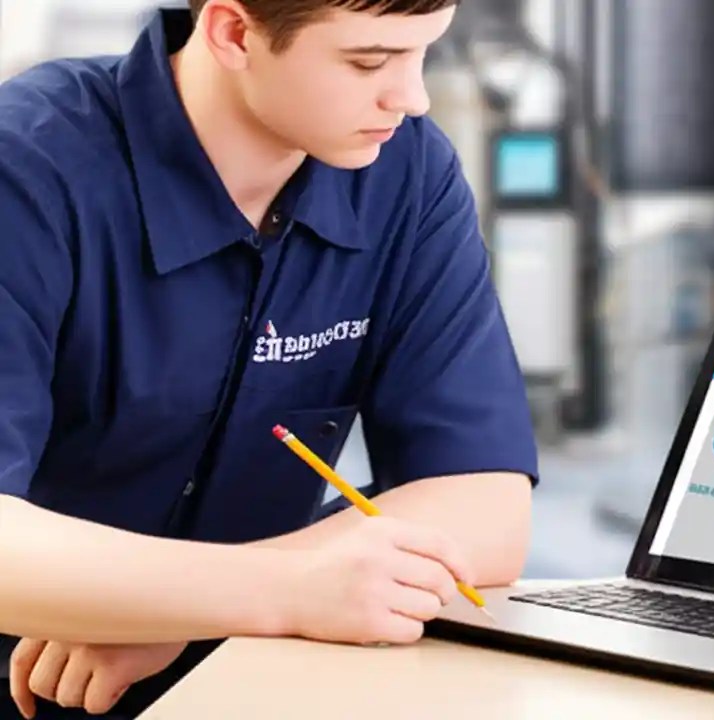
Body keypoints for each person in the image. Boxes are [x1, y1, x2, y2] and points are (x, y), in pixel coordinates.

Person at [0, 0, 539, 717]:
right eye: (369, 62)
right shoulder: (27, 169)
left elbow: (486, 503)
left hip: (258, 678)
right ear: (232, 32)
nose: (413, 98)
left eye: (424, 53)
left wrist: (190, 608)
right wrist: (284, 591)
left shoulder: (406, 173)